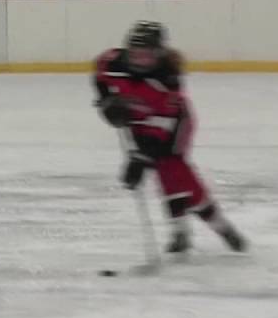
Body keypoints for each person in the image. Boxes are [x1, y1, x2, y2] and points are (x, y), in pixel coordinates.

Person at [94, 21, 246, 254]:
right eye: (135, 55)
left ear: (159, 54)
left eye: (146, 56)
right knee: (164, 172)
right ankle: (180, 231)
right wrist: (107, 102)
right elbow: (100, 74)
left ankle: (220, 225)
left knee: (173, 168)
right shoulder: (112, 61)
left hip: (175, 124)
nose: (139, 61)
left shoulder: (167, 79)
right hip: (140, 120)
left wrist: (140, 160)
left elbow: (163, 129)